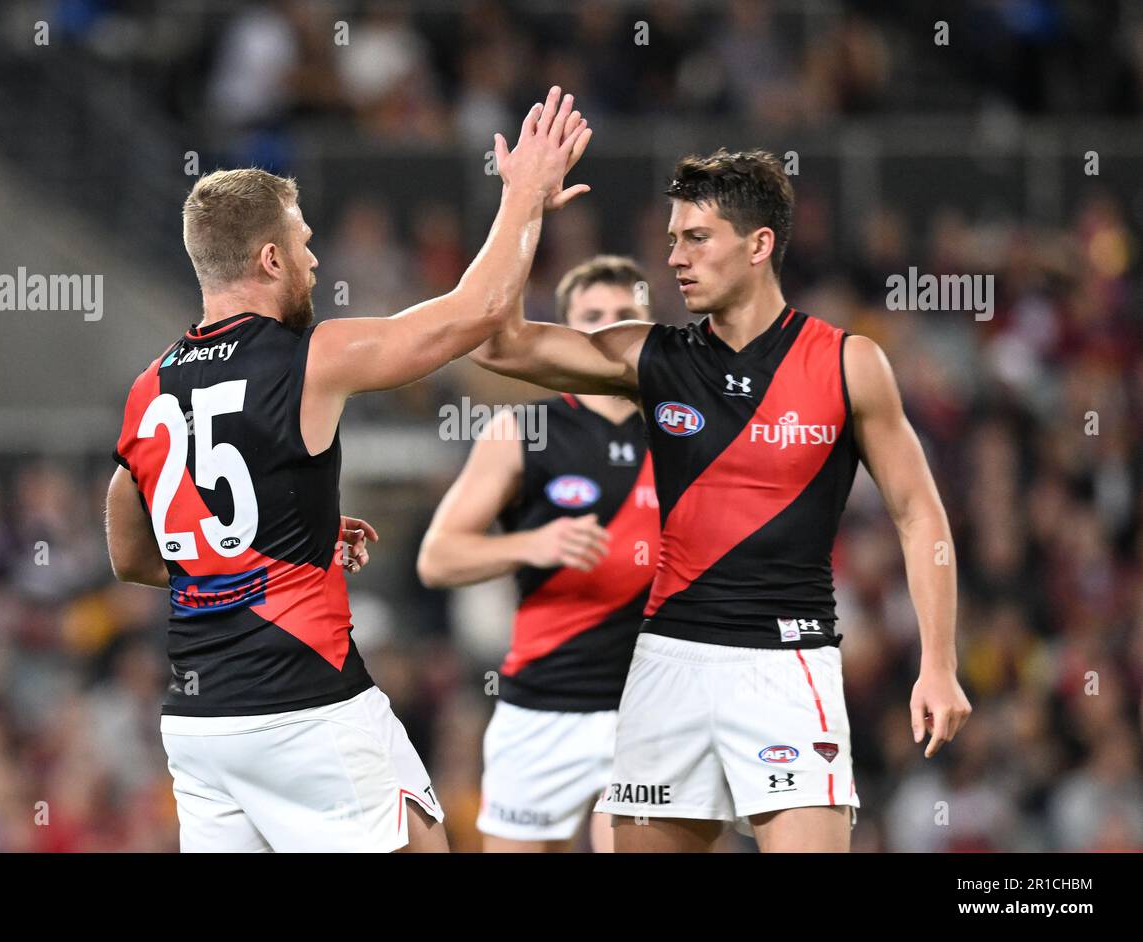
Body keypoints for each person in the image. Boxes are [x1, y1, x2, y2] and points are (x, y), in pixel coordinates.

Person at [103, 87, 592, 852]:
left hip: (199, 727)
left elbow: (134, 554)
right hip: (301, 703)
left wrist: (267, 552)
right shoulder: (312, 358)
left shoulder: (148, 389)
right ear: (269, 258)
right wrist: (525, 194)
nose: (313, 257)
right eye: (302, 243)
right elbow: (479, 310)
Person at [469, 148, 972, 852]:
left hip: (787, 667)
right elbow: (496, 344)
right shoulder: (652, 356)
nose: (675, 257)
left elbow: (921, 515)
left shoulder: (847, 362)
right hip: (668, 665)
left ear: (760, 245)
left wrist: (939, 663)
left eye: (697, 238)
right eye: (673, 239)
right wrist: (522, 206)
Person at [417, 256, 660, 852]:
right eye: (592, 317)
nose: (608, 328)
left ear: (649, 326)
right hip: (540, 704)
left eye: (625, 316)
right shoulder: (521, 430)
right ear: (564, 332)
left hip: (650, 709)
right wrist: (533, 543)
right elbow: (437, 558)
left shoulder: (682, 429)